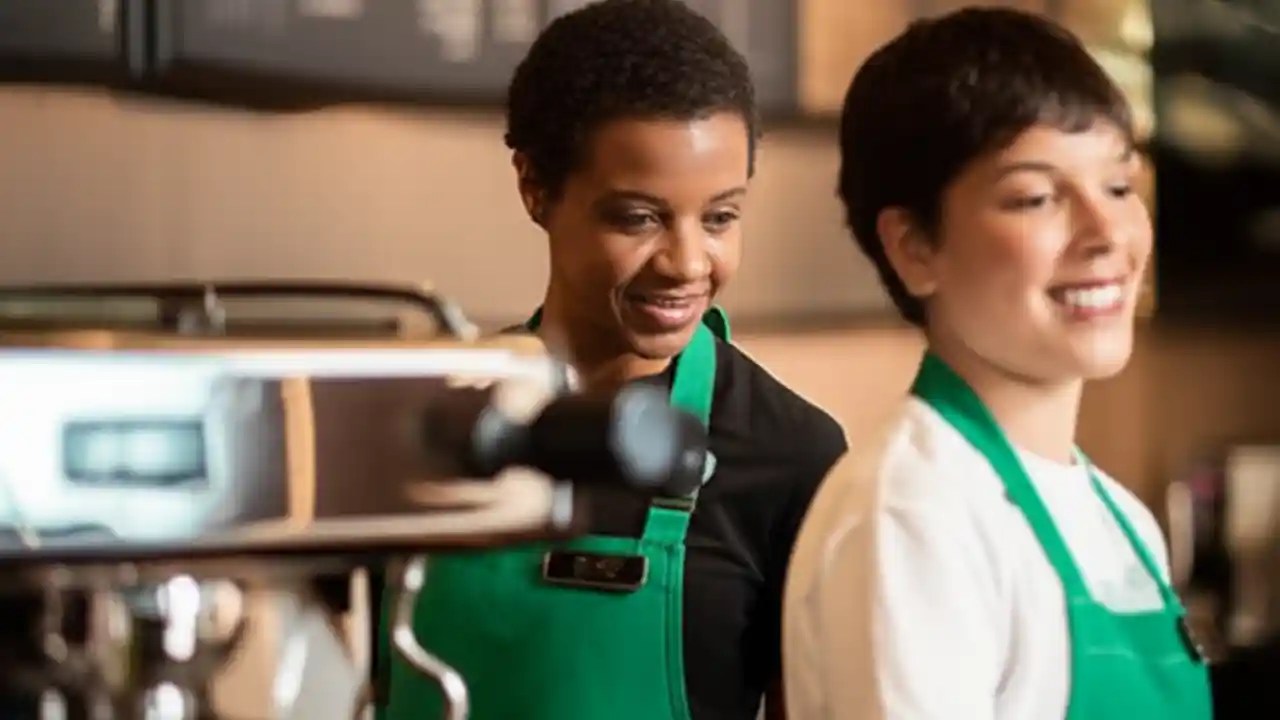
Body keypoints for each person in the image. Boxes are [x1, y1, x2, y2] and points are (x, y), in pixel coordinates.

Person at [378, 2, 847, 719]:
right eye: (639, 217)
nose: (688, 263)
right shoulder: (423, 418)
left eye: (721, 217)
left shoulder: (792, 454)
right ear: (535, 186)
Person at [783, 7, 1212, 719]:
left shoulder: (1125, 520)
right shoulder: (915, 512)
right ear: (915, 247)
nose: (1107, 232)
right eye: (1036, 197)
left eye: (1118, 186)